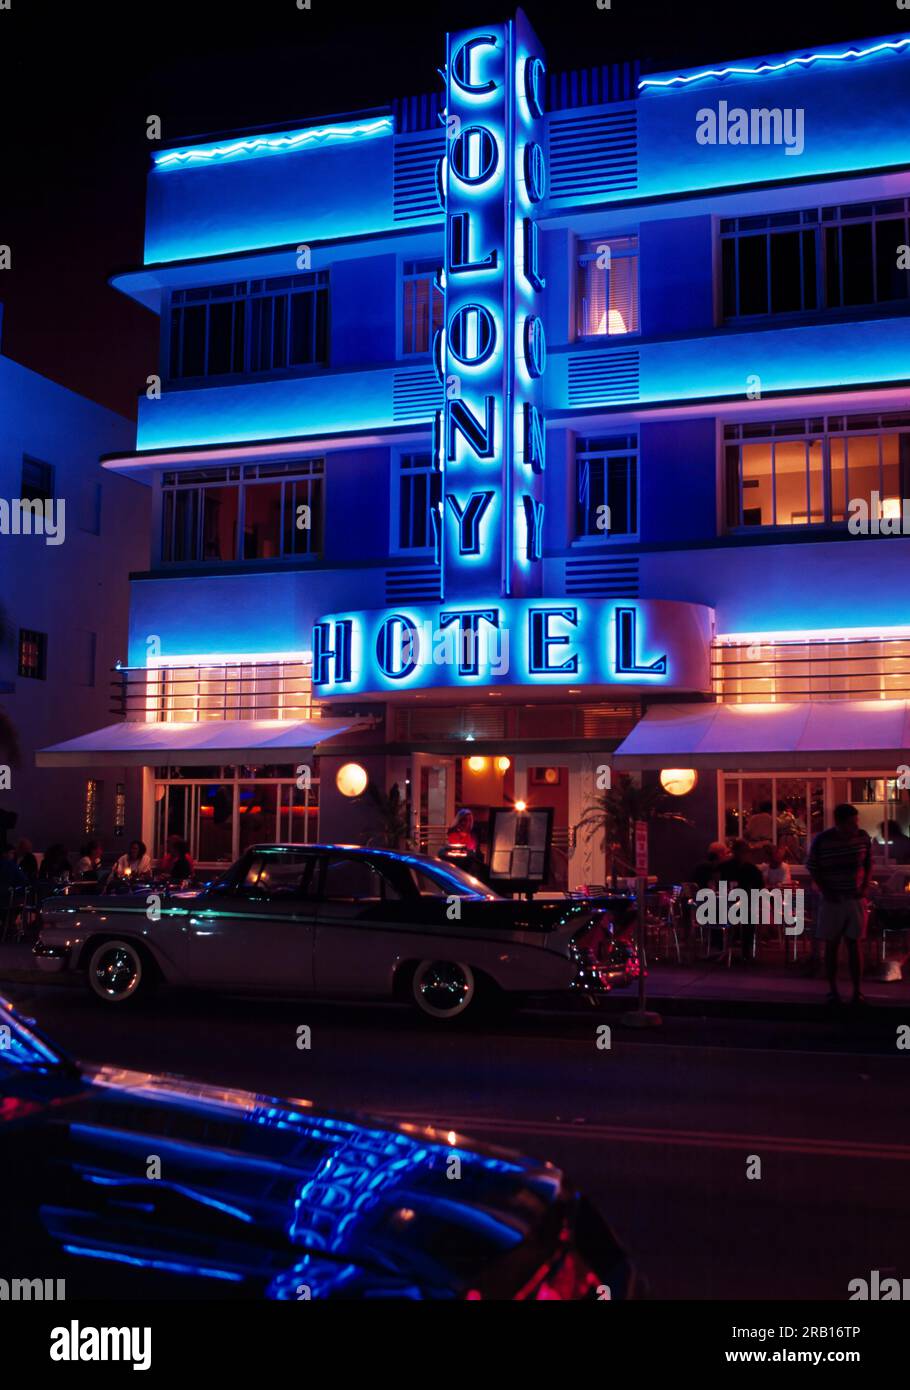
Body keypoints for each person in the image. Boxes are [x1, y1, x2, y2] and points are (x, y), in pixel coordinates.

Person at [806, 803, 871, 1006]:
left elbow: (868, 863)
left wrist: (865, 886)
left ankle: (857, 991)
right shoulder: (822, 840)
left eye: (855, 822)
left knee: (855, 944)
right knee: (832, 945)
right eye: (851, 823)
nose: (855, 826)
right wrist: (826, 891)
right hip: (833, 899)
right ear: (839, 822)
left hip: (854, 897)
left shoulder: (862, 837)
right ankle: (833, 990)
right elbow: (813, 867)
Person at [726, 839, 764, 962]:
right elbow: (760, 887)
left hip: (730, 905)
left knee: (748, 916)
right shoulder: (751, 868)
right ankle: (745, 950)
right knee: (749, 917)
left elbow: (759, 886)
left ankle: (739, 948)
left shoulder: (727, 866)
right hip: (731, 904)